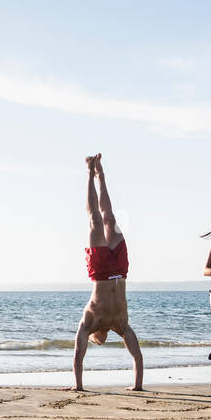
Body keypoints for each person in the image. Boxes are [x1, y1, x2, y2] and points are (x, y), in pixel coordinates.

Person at [66, 154, 143, 391]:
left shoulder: (89, 321)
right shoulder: (120, 324)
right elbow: (137, 355)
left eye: (97, 340)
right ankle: (100, 176)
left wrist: (78, 386)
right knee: (109, 220)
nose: (101, 339)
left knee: (96, 221)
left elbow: (79, 354)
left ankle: (92, 174)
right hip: (120, 270)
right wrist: (137, 386)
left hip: (100, 271)